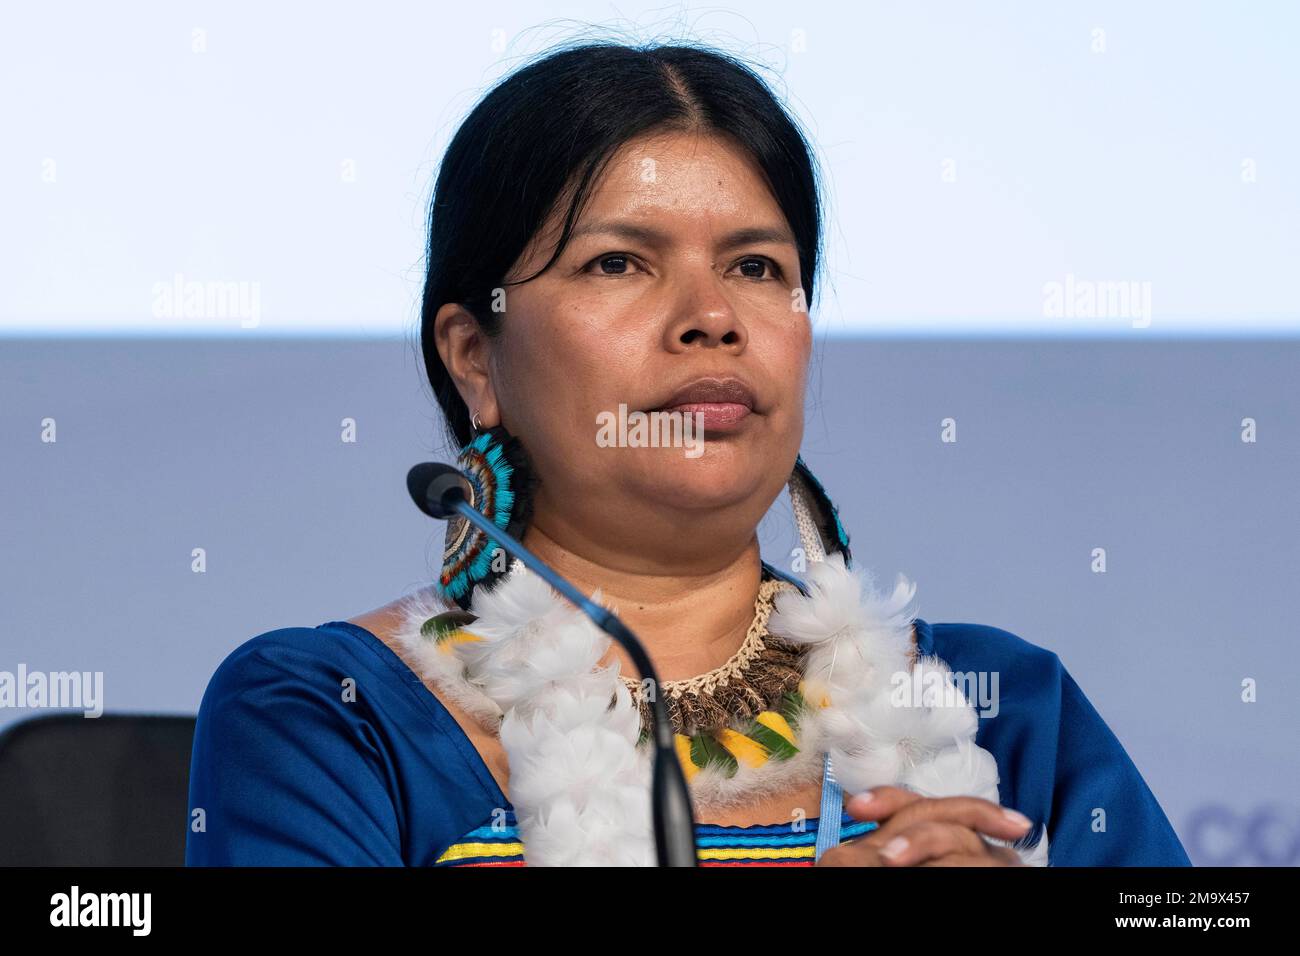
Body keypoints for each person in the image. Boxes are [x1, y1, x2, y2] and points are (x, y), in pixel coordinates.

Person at [185, 41, 1190, 867]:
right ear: (473, 355)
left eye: (758, 267)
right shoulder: (333, 713)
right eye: (617, 262)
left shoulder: (1000, 705)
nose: (711, 317)